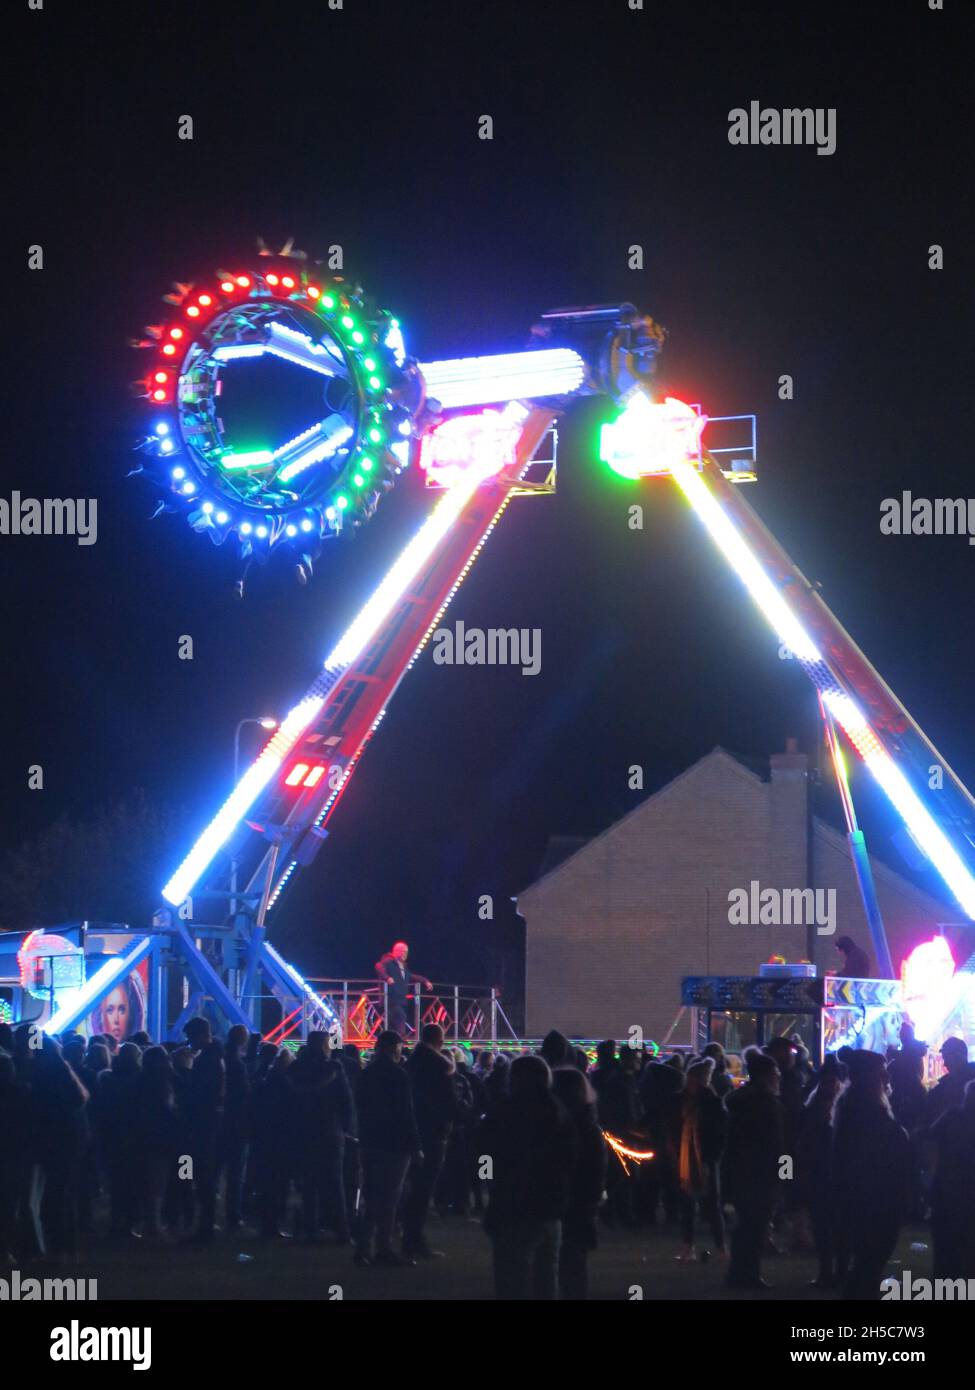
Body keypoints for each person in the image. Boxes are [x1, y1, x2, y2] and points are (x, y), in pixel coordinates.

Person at [477, 1054, 575, 1300]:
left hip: (512, 1204)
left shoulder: (504, 1111)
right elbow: (571, 1156)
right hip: (549, 1204)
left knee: (512, 1276)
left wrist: (488, 1181)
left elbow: (484, 1150)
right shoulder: (558, 1111)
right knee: (546, 1276)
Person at [832, 1049, 910, 1299]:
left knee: (869, 1260)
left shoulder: (855, 1104)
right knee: (871, 1259)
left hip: (868, 1194)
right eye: (882, 1072)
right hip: (873, 1196)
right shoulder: (863, 1109)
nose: (887, 1077)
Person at [354, 1030, 422, 1268]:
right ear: (395, 1048)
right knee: (389, 1197)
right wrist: (415, 1145)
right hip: (394, 1144)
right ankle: (384, 1247)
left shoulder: (366, 1074)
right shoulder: (398, 1075)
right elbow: (406, 1112)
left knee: (371, 1194)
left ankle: (363, 1246)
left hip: (369, 1141)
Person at [723, 1047, 785, 1290]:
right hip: (761, 1174)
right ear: (767, 1075)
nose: (778, 1076)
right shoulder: (767, 1105)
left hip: (742, 1172)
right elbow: (776, 1145)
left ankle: (739, 1273)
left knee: (746, 1226)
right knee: (756, 1226)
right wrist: (783, 1175)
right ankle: (748, 1274)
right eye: (775, 1072)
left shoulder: (742, 1103)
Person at [402, 1023, 466, 1258]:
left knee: (414, 1186)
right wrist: (463, 1116)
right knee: (423, 1187)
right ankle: (414, 1240)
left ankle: (409, 1237)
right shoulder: (440, 1065)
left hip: (415, 1130)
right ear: (440, 1040)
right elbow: (448, 1101)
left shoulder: (412, 1063)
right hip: (434, 1133)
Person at [290, 1031, 353, 1243]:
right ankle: (342, 1231)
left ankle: (311, 1229)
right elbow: (346, 1101)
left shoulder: (297, 1068)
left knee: (309, 1184)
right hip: (330, 1130)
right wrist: (348, 1129)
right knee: (335, 1183)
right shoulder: (334, 1068)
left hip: (304, 1131)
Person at [552, 1066, 606, 1299]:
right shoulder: (589, 1128)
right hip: (578, 1206)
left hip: (554, 1204)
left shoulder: (551, 1125)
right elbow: (597, 1172)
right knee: (573, 1265)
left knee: (553, 1266)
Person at [666, 1057, 726, 1261]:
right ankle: (689, 1245)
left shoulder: (711, 1102)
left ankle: (720, 1247)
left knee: (712, 1204)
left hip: (706, 1158)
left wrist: (712, 1157)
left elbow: (719, 1133)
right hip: (685, 1157)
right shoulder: (680, 1100)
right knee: (688, 1203)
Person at [797, 1055, 845, 1287]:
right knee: (827, 1227)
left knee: (829, 1227)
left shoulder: (822, 1110)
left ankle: (831, 1272)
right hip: (824, 1176)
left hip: (826, 1176)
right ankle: (830, 1272)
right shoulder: (824, 1111)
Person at [922, 1077, 975, 1280]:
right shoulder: (952, 1117)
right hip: (959, 1191)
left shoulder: (953, 1116)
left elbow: (928, 1134)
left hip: (948, 1191)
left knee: (946, 1248)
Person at [374, 941, 432, 1036]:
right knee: (400, 1019)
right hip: (390, 1000)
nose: (405, 954)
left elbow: (411, 976)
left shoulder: (402, 966)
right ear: (396, 951)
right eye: (403, 951)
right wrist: (387, 977)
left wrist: (425, 981)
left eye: (406, 952)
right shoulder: (388, 961)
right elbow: (378, 966)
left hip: (400, 1000)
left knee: (392, 1025)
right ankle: (400, 1042)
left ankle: (391, 1044)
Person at [925, 1036, 975, 1124]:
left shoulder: (943, 1088)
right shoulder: (941, 1088)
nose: (945, 1063)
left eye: (947, 1058)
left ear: (958, 1056)